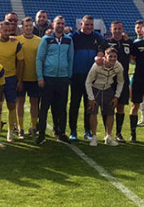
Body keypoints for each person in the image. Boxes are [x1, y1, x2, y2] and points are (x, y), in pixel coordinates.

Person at [36, 16, 74, 145]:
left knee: (62, 107)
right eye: (58, 23)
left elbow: (70, 58)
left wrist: (69, 76)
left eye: (62, 23)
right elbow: (39, 58)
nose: (60, 26)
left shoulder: (68, 40)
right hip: (48, 78)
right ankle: (41, 133)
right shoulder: (46, 39)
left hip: (63, 78)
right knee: (44, 107)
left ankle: (61, 132)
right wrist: (40, 77)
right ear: (53, 25)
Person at [69, 15, 105, 141]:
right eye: (87, 24)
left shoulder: (97, 37)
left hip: (92, 78)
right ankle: (73, 131)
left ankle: (87, 131)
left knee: (89, 104)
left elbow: (106, 45)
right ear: (81, 25)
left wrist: (101, 52)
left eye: (91, 25)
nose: (89, 27)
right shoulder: (74, 37)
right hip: (77, 76)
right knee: (74, 103)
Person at [0, 20, 23, 142]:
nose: (7, 33)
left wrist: (19, 80)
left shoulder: (16, 43)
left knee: (11, 105)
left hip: (10, 78)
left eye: (9, 31)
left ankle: (10, 132)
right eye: (4, 30)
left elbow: (21, 62)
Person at [85, 47, 124, 146]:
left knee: (110, 113)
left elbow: (121, 82)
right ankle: (94, 137)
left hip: (108, 89)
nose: (112, 59)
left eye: (115, 57)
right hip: (95, 89)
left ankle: (108, 137)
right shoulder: (96, 66)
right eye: (110, 56)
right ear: (105, 57)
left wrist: (116, 96)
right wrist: (91, 98)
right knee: (93, 113)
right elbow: (88, 82)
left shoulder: (118, 66)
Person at [104, 20, 131, 143]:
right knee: (109, 107)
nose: (117, 31)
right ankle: (107, 133)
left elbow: (134, 56)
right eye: (115, 28)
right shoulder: (107, 43)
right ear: (111, 30)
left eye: (119, 28)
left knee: (121, 107)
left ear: (123, 29)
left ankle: (118, 133)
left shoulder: (128, 43)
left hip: (123, 80)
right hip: (109, 80)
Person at [16, 17, 42, 139]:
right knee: (20, 102)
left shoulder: (39, 40)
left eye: (30, 26)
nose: (28, 28)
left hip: (35, 78)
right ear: (22, 27)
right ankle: (20, 128)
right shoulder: (17, 40)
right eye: (26, 26)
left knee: (34, 103)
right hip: (21, 78)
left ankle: (33, 127)